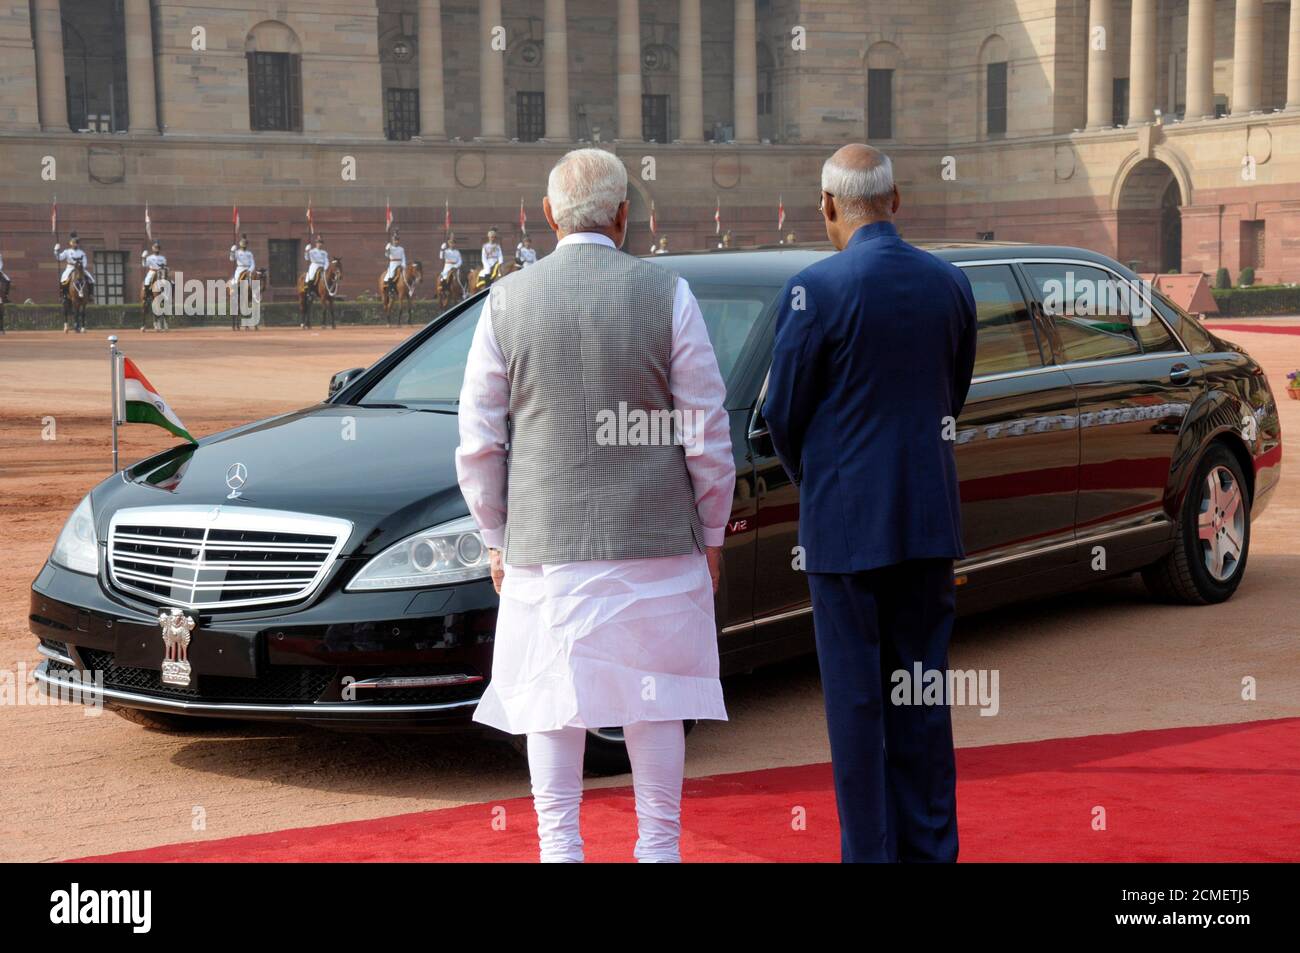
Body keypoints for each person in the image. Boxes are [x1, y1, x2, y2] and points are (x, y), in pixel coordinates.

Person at [456, 147, 735, 863]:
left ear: (547, 216)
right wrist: (711, 529)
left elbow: (479, 442)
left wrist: (494, 533)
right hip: (657, 536)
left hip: (543, 544)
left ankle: (561, 849)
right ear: (623, 215)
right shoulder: (667, 291)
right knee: (658, 697)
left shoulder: (505, 300)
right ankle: (660, 849)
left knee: (549, 697)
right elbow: (705, 432)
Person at [763, 144, 977, 863]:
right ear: (897, 198)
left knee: (857, 711)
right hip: (928, 523)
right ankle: (931, 851)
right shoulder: (950, 283)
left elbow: (782, 416)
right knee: (922, 703)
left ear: (828, 205)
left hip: (846, 535)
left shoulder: (813, 291)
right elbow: (954, 393)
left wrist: (826, 481)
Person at [56, 232, 95, 299]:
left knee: (90, 279)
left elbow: (85, 261)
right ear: (71, 243)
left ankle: (90, 294)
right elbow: (59, 258)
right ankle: (64, 294)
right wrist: (56, 250)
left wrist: (82, 267)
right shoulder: (67, 251)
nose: (75, 244)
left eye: (76, 243)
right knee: (63, 278)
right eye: (73, 243)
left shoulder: (82, 252)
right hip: (70, 268)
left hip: (80, 268)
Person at [141, 240, 169, 332]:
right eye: (155, 247)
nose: (156, 249)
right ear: (153, 248)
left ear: (159, 249)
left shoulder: (163, 258)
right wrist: (143, 257)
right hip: (152, 271)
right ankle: (146, 294)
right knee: (147, 281)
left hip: (161, 272)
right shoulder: (149, 257)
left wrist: (164, 267)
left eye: (158, 248)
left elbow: (165, 265)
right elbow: (144, 265)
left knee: (171, 282)